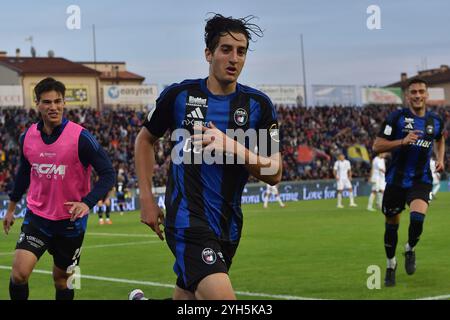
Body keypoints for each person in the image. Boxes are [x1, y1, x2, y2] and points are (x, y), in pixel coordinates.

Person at [135, 14, 281, 300]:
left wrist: (233, 146)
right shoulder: (179, 96)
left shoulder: (259, 106)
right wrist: (147, 199)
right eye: (226, 49)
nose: (234, 58)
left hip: (228, 225)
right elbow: (144, 140)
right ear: (208, 53)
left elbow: (275, 172)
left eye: (241, 51)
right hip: (187, 219)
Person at [2, 77, 115, 300]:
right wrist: (11, 208)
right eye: (47, 102)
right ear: (37, 104)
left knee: (63, 281)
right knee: (19, 274)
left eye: (58, 101)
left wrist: (86, 202)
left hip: (71, 223)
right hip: (37, 218)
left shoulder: (81, 137)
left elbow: (108, 173)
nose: (53, 107)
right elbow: (23, 174)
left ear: (64, 103)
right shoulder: (27, 138)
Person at [373, 78, 445, 287]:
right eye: (413, 92)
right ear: (407, 96)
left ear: (427, 95)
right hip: (396, 181)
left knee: (417, 218)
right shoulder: (396, 118)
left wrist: (440, 159)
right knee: (391, 226)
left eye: (421, 91)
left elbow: (440, 138)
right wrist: (402, 142)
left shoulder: (435, 120)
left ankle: (410, 248)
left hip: (420, 180)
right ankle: (390, 264)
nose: (417, 95)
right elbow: (377, 146)